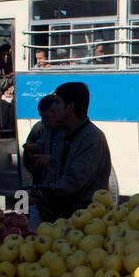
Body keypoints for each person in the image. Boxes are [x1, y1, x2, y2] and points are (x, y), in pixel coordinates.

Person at [36, 82, 112, 221]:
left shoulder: (92, 138)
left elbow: (74, 182)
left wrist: (46, 192)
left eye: (57, 102)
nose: (52, 107)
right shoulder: (63, 133)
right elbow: (53, 168)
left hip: (86, 220)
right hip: (63, 218)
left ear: (70, 107)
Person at [22, 94, 62, 185]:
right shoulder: (45, 129)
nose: (43, 122)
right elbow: (41, 145)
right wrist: (33, 148)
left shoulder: (69, 133)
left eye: (46, 118)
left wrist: (51, 159)